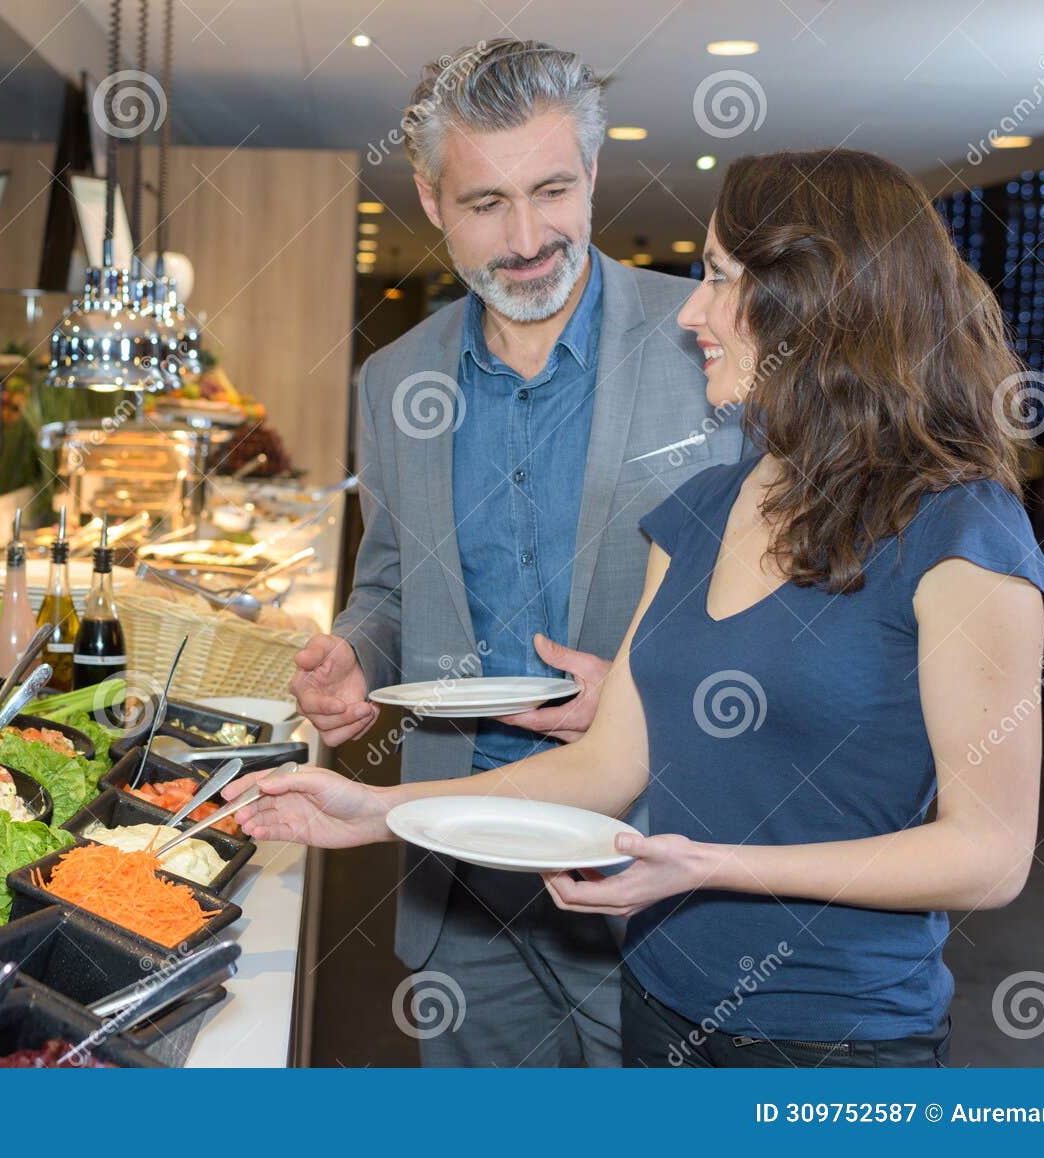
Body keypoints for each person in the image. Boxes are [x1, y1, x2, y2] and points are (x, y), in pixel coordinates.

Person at [248, 148, 1044, 1067]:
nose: (691, 310)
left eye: (717, 277)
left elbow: (989, 856)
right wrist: (372, 808)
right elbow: (604, 764)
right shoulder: (703, 509)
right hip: (660, 1000)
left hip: (836, 1040)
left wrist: (714, 866)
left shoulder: (960, 530)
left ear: (814, 299)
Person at [291, 40, 744, 1067]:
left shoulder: (703, 339)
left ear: (592, 175)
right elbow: (393, 576)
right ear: (430, 198)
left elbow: (791, 597)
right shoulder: (393, 379)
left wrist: (644, 692)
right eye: (487, 203)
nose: (529, 237)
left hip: (650, 857)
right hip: (457, 860)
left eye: (552, 190)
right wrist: (361, 649)